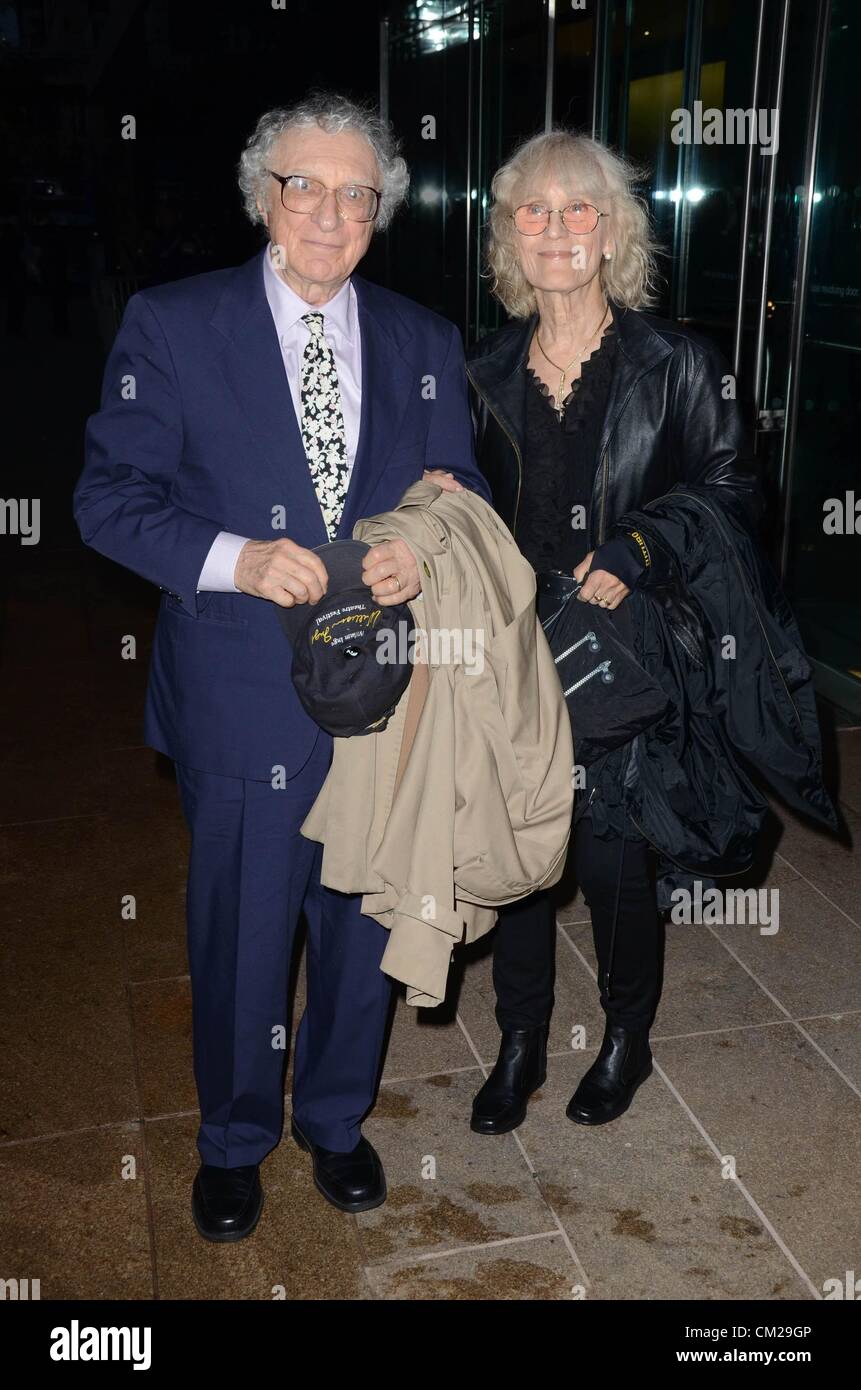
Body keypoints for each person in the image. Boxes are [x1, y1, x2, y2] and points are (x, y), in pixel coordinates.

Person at [74, 93, 489, 1240]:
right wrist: (233, 558)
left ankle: (337, 1120)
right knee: (244, 929)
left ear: (379, 215)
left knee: (359, 922)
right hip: (240, 693)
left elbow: (459, 483)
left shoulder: (420, 339)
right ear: (265, 196)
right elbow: (106, 500)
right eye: (306, 185)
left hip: (380, 697)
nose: (330, 213)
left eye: (357, 194)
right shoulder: (173, 322)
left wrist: (421, 545)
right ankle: (235, 1137)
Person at [466, 130, 761, 1136]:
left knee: (611, 859)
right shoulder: (482, 370)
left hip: (628, 652)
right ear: (508, 235)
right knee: (517, 862)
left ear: (615, 228)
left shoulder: (679, 362)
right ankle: (518, 1040)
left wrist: (640, 545)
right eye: (533, 211)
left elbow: (736, 488)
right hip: (516, 654)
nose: (556, 229)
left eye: (579, 207)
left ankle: (627, 1036)